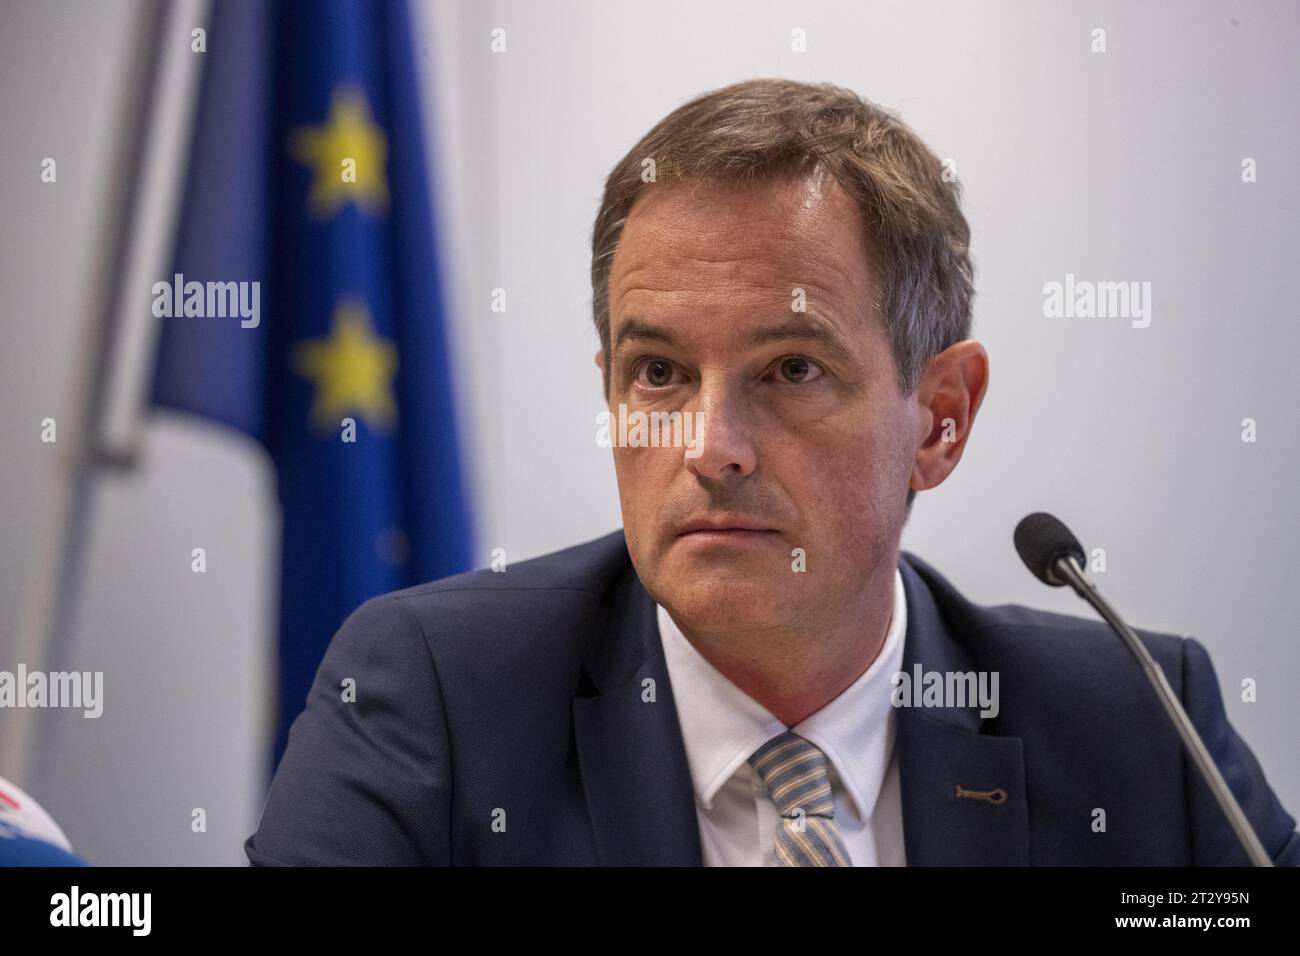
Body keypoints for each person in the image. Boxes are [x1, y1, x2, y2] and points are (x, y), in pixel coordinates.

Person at [246, 79, 1298, 866]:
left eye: (791, 368)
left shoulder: (1138, 726)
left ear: (940, 418)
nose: (709, 447)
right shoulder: (437, 696)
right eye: (657, 371)